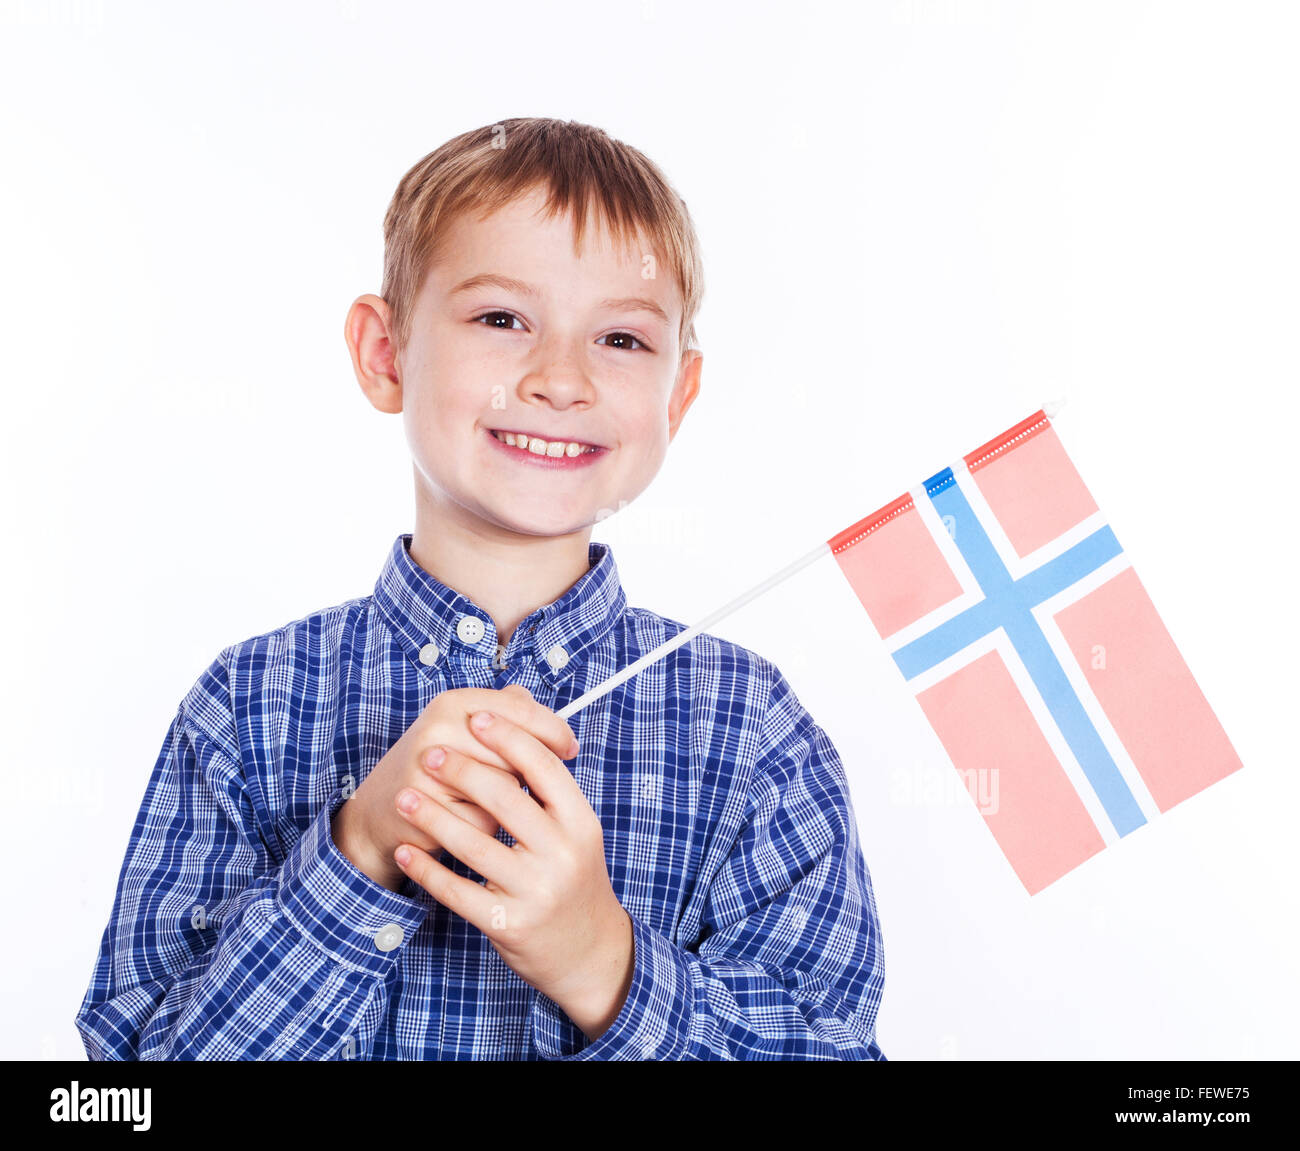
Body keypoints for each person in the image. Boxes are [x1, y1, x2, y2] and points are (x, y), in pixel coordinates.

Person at [74, 117, 887, 1060]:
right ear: (385, 352)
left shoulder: (749, 729)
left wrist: (601, 963)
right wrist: (362, 847)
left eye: (621, 338)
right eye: (502, 319)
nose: (559, 378)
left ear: (678, 393)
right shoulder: (248, 705)